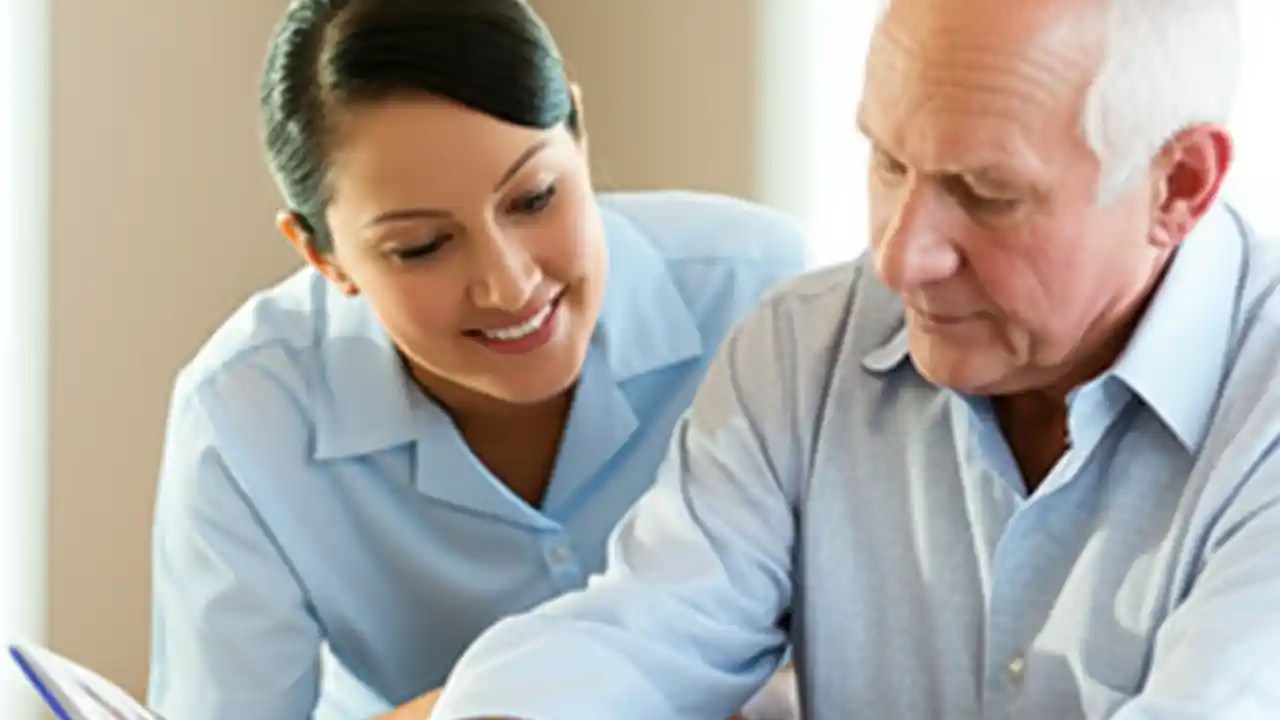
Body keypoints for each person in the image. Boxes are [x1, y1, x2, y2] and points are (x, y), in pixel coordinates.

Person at [431, 0, 1280, 718]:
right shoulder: (807, 347)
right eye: (888, 161)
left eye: (987, 197)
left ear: (1179, 186)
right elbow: (645, 633)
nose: (900, 258)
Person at [144, 0, 808, 718]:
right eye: (422, 247)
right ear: (322, 256)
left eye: (535, 198)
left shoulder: (767, 300)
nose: (509, 284)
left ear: (577, 139)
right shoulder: (246, 412)